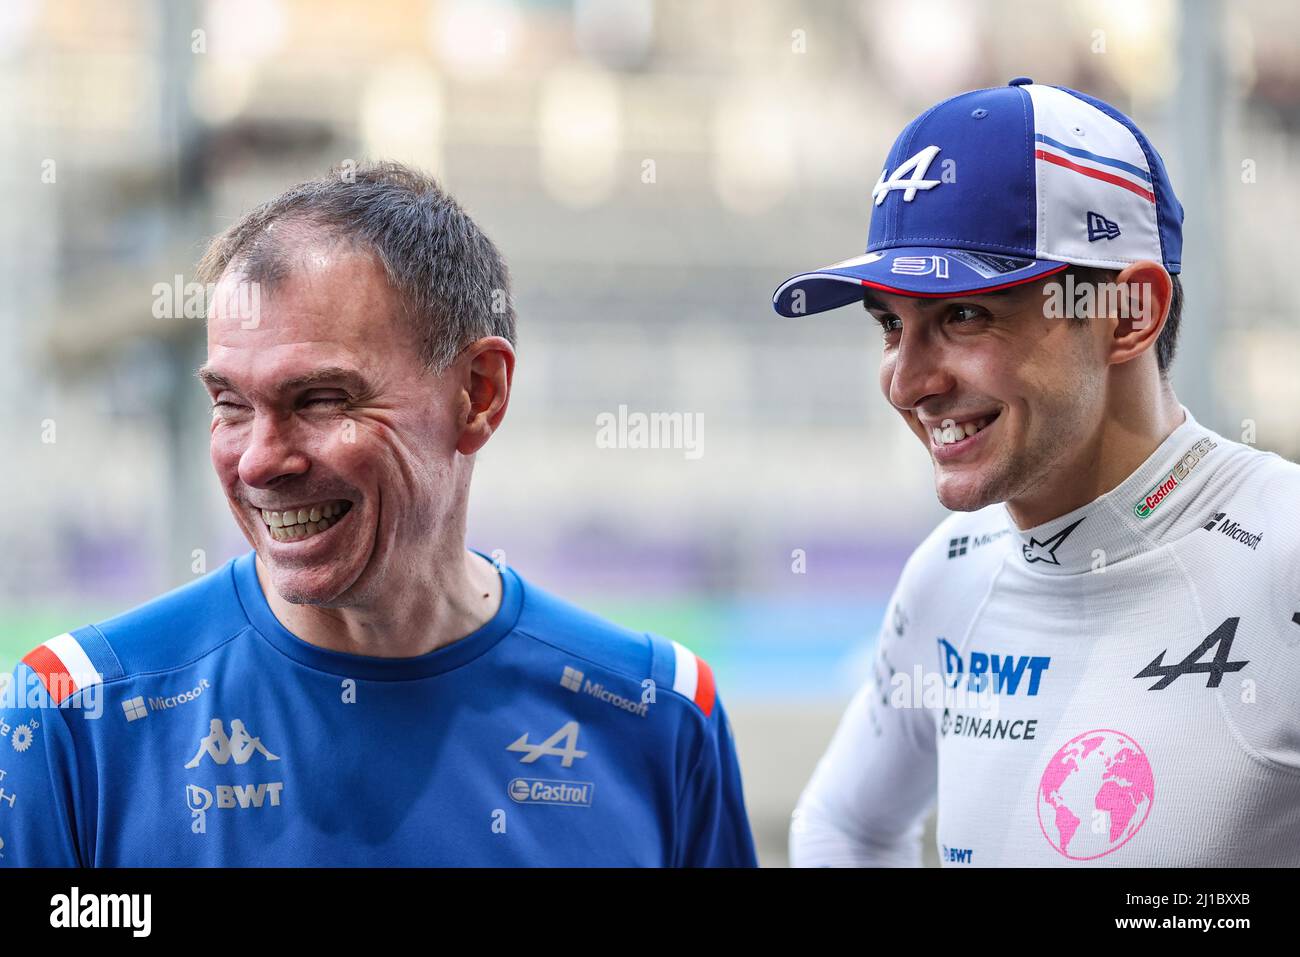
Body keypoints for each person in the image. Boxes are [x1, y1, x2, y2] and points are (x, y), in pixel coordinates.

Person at [1, 161, 756, 867]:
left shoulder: (661, 715)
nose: (260, 461)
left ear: (479, 393)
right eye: (230, 404)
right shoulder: (70, 718)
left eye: (321, 399)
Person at [773, 79, 1300, 866]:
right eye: (891, 325)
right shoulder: (951, 571)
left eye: (963, 314)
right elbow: (844, 825)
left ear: (1130, 314)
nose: (907, 382)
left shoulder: (1284, 556)